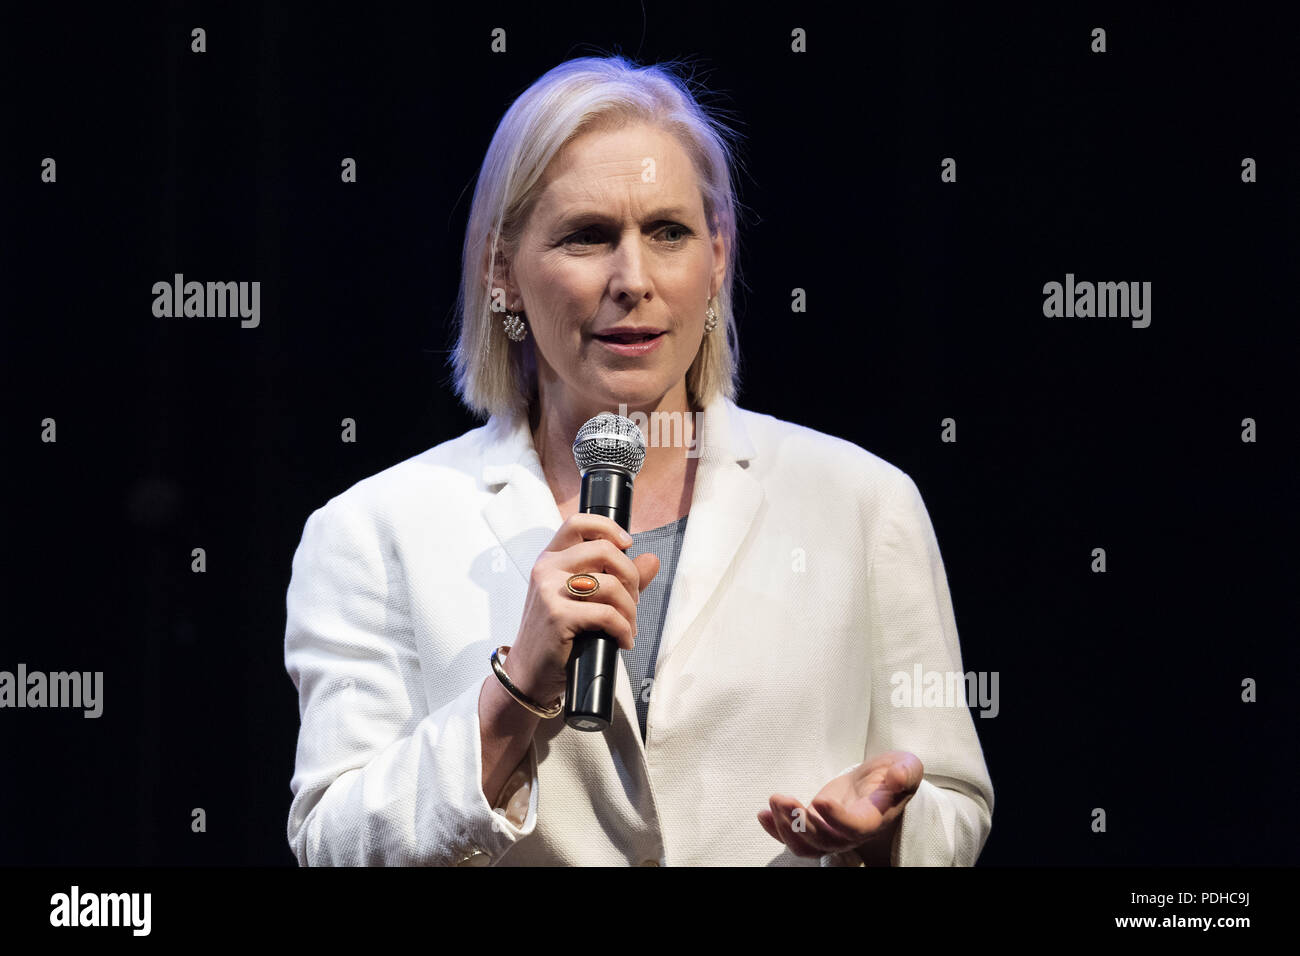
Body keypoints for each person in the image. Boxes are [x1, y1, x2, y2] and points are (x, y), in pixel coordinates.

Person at [284, 54, 994, 866]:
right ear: (500, 273)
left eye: (668, 233)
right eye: (587, 237)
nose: (634, 280)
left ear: (718, 256)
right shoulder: (371, 532)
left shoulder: (862, 503)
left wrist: (887, 830)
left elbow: (952, 804)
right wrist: (513, 697)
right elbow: (333, 844)